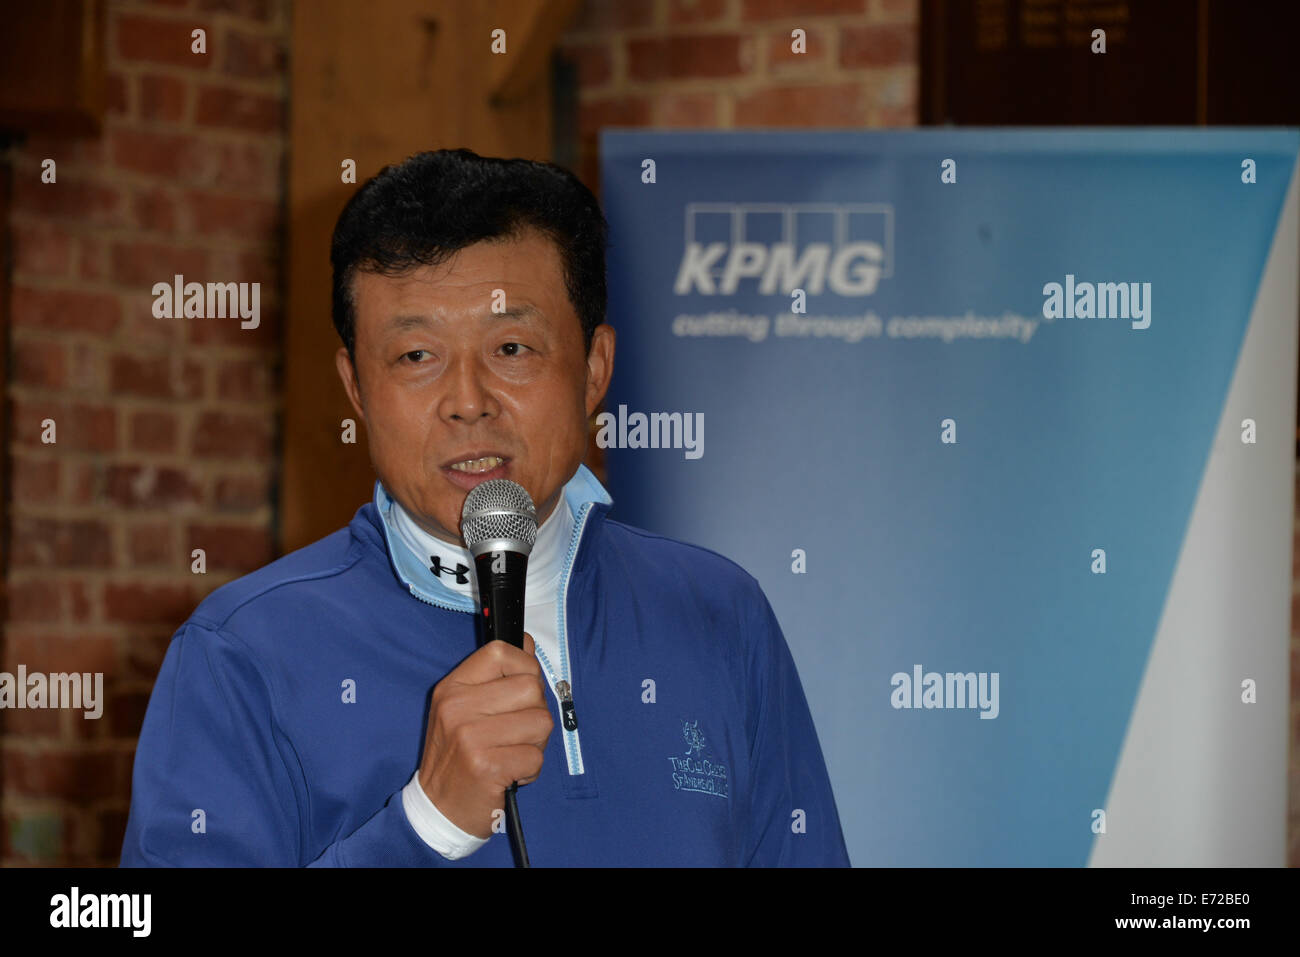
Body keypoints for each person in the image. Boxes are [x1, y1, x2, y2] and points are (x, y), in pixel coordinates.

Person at [120, 149, 850, 867]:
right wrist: (424, 824)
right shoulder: (239, 654)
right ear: (356, 389)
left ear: (594, 368)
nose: (467, 401)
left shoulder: (719, 613)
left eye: (511, 347)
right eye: (415, 357)